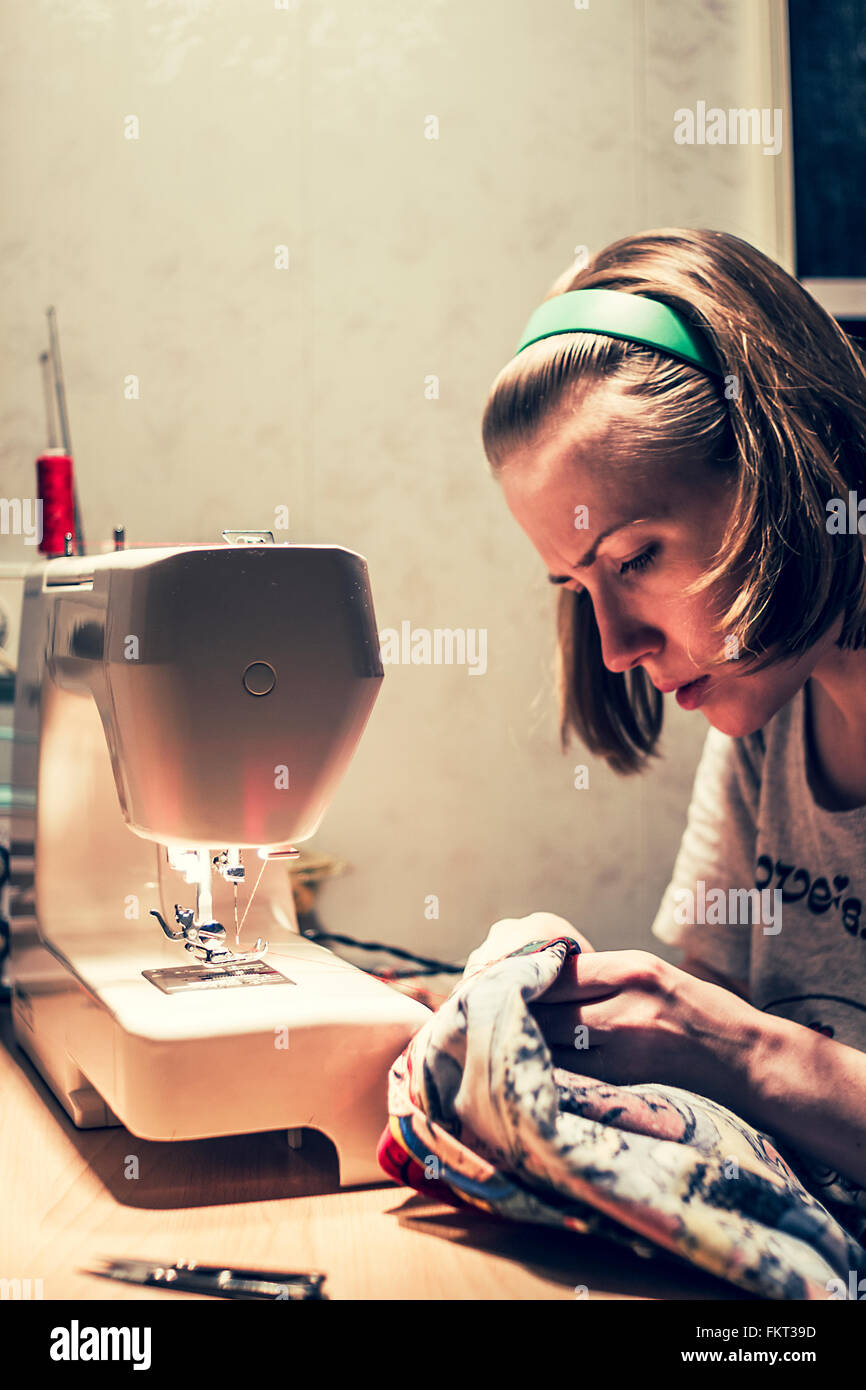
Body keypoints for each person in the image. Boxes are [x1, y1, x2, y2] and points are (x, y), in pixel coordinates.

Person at [478, 227, 866, 1237]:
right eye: (577, 586)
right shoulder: (762, 731)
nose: (610, 645)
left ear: (789, 462)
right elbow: (700, 1043)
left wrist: (734, 1046)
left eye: (634, 555)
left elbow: (724, 1042)